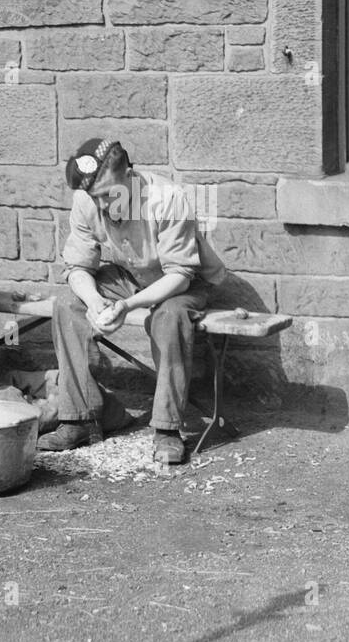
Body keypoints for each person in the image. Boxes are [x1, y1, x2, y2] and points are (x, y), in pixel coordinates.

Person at [44, 138, 226, 464]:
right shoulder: (88, 201)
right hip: (130, 275)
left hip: (181, 282)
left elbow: (180, 274)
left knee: (168, 318)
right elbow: (78, 267)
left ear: (129, 174)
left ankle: (168, 430)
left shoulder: (166, 199)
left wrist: (126, 306)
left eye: (109, 194)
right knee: (66, 305)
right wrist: (94, 299)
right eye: (94, 197)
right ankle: (79, 418)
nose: (102, 204)